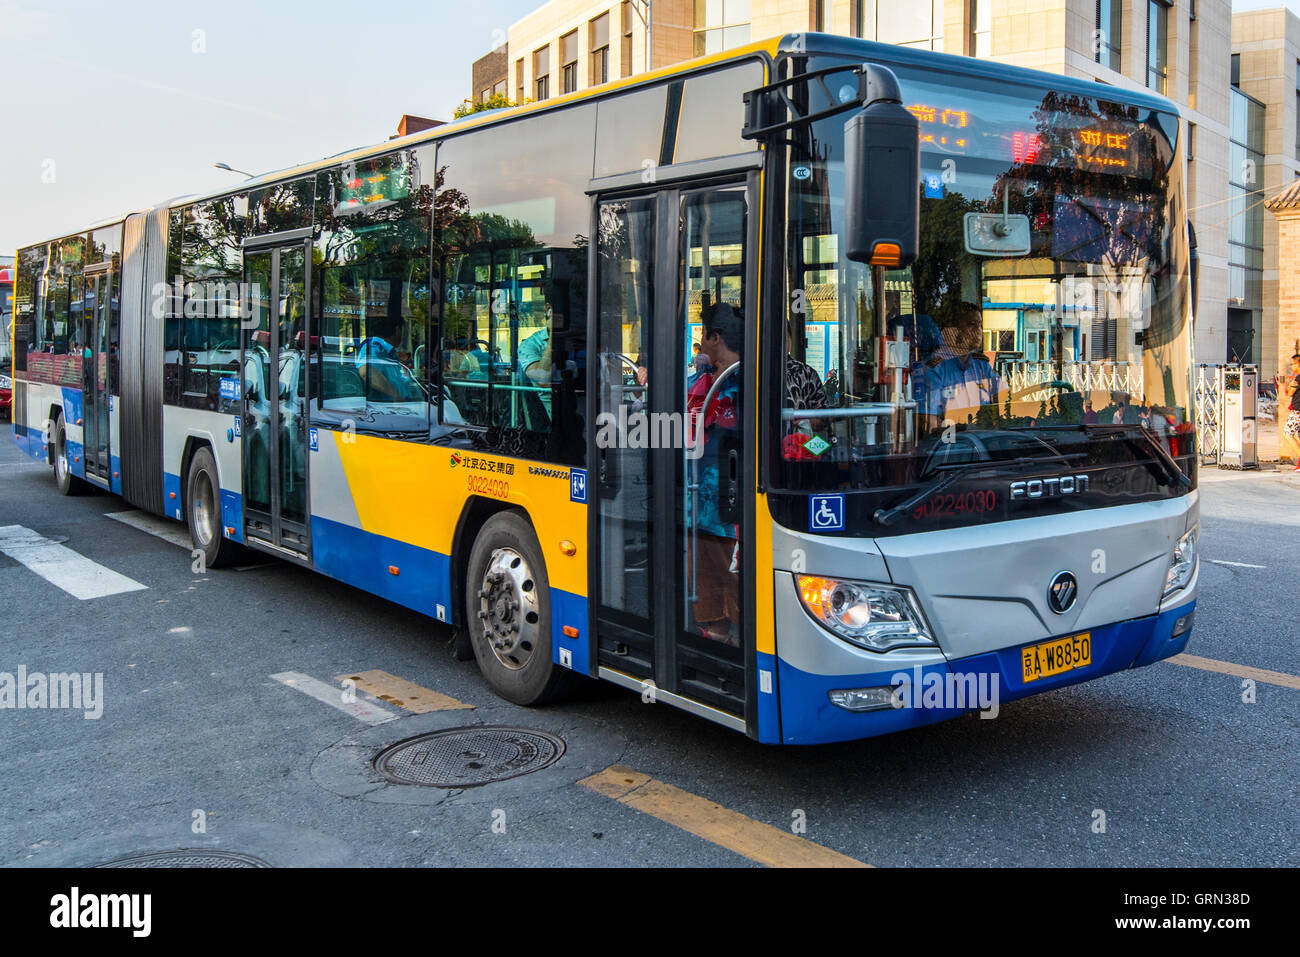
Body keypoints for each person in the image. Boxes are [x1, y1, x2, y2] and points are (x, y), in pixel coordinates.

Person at [688, 301, 743, 647]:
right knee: (709, 575)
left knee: (732, 574)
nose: (701, 343)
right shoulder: (711, 379)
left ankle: (735, 636)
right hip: (705, 504)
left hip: (725, 503)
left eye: (704, 336)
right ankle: (717, 635)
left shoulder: (734, 383)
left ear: (716, 337)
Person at [355, 315, 413, 402]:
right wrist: (395, 394)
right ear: (397, 330)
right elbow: (365, 371)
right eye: (403, 332)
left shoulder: (387, 351)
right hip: (387, 407)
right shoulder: (373, 347)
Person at [1281, 354, 1300, 469]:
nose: (1291, 366)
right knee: (1298, 435)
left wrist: (1290, 385)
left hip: (1297, 411)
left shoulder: (1298, 378)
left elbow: (1290, 393)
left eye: (1293, 364)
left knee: (1287, 433)